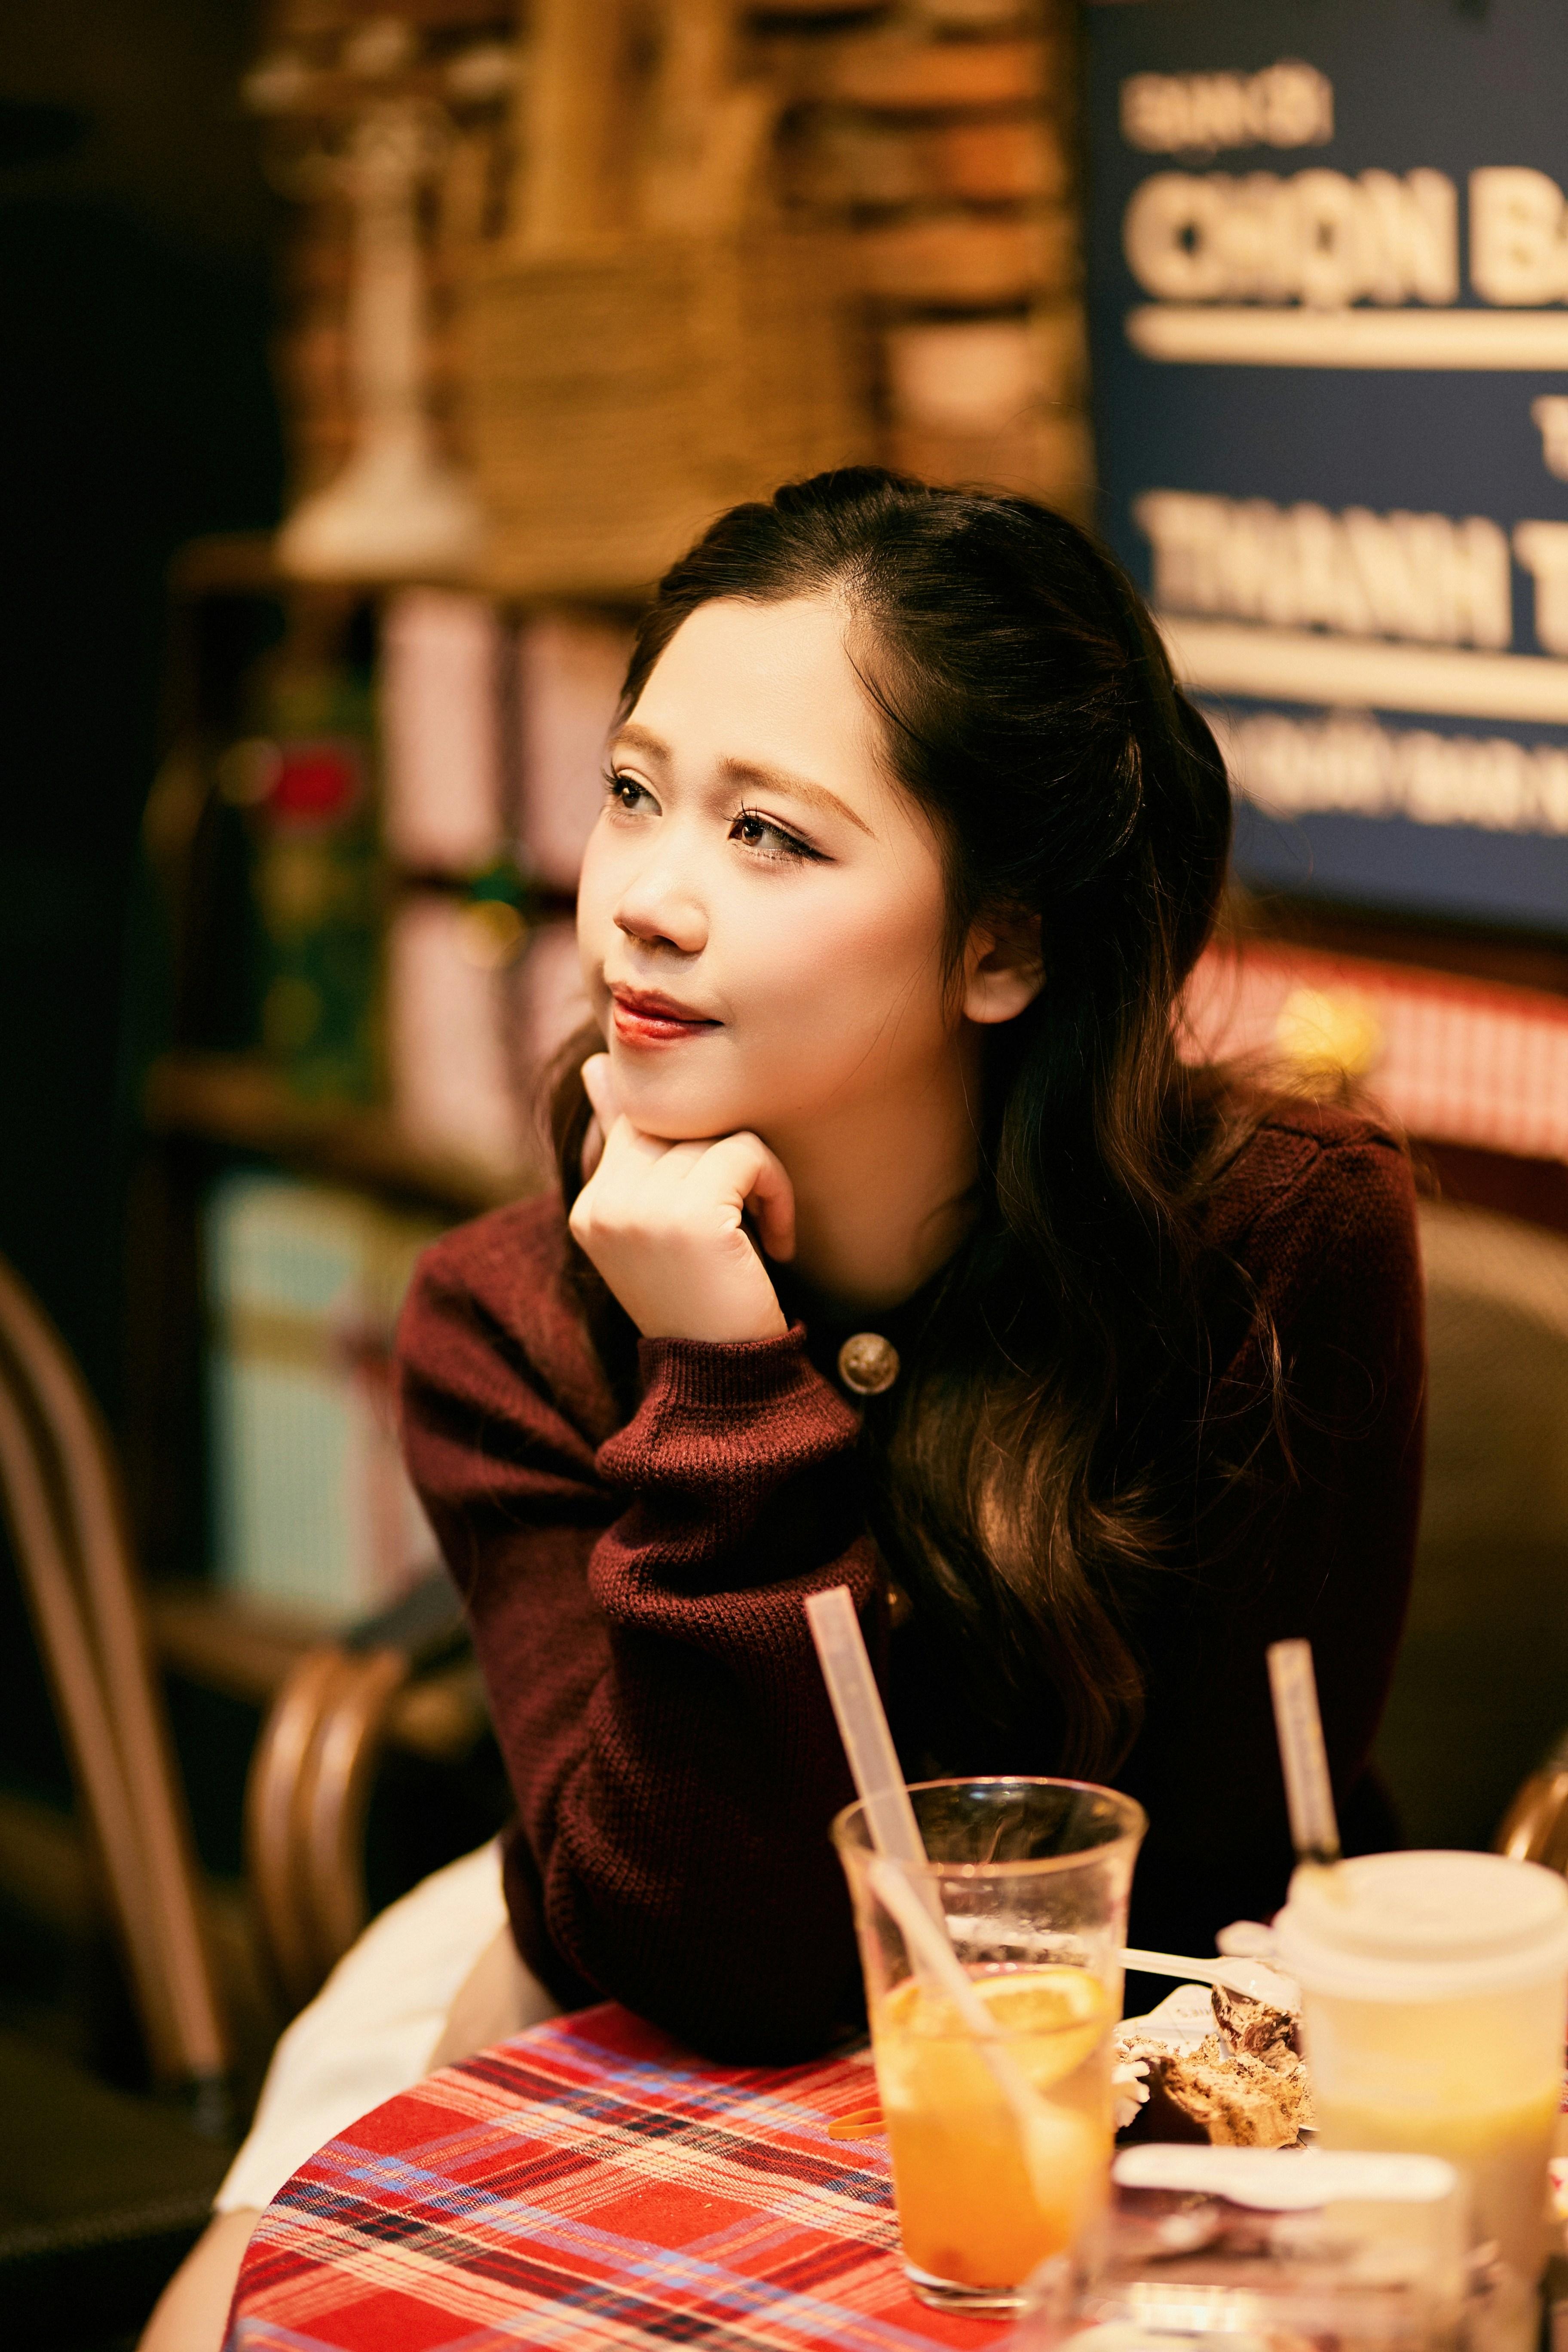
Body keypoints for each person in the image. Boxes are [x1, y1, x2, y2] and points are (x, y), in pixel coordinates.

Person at [143, 470, 1423, 2345]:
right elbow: (698, 1955)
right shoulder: (512, 1314)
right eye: (633, 792)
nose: (644, 902)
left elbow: (1197, 1872)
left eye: (769, 835)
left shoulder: (1275, 1249)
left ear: (1002, 946)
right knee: (220, 2314)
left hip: (1146, 2047)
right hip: (613, 1981)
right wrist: (724, 1384)